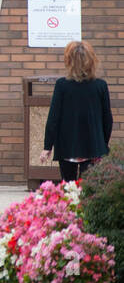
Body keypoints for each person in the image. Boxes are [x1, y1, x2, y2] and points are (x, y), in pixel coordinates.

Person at [40, 40, 113, 182]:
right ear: (92, 61)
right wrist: (103, 143)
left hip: (67, 144)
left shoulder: (62, 85)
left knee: (68, 188)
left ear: (69, 61)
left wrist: (47, 146)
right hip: (93, 144)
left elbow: (53, 118)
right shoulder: (100, 86)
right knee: (89, 188)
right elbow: (107, 119)